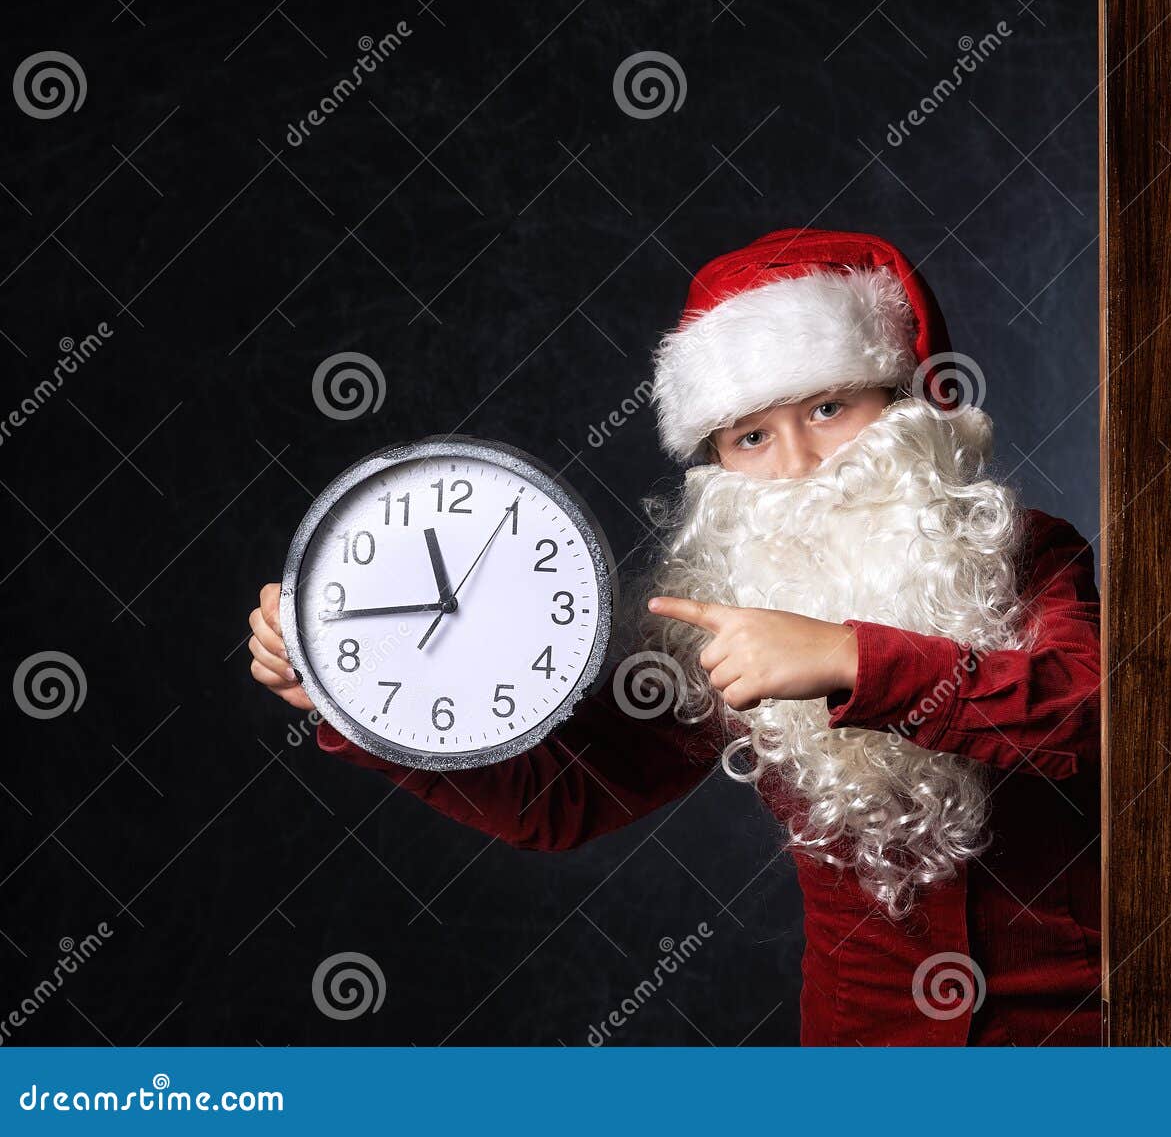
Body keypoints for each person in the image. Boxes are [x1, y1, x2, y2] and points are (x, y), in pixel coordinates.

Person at [248, 228, 1102, 1045]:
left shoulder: (1028, 555)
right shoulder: (729, 606)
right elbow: (565, 798)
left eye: (831, 406)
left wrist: (849, 657)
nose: (798, 461)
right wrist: (354, 695)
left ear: (903, 406)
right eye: (752, 435)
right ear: (720, 461)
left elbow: (1095, 715)